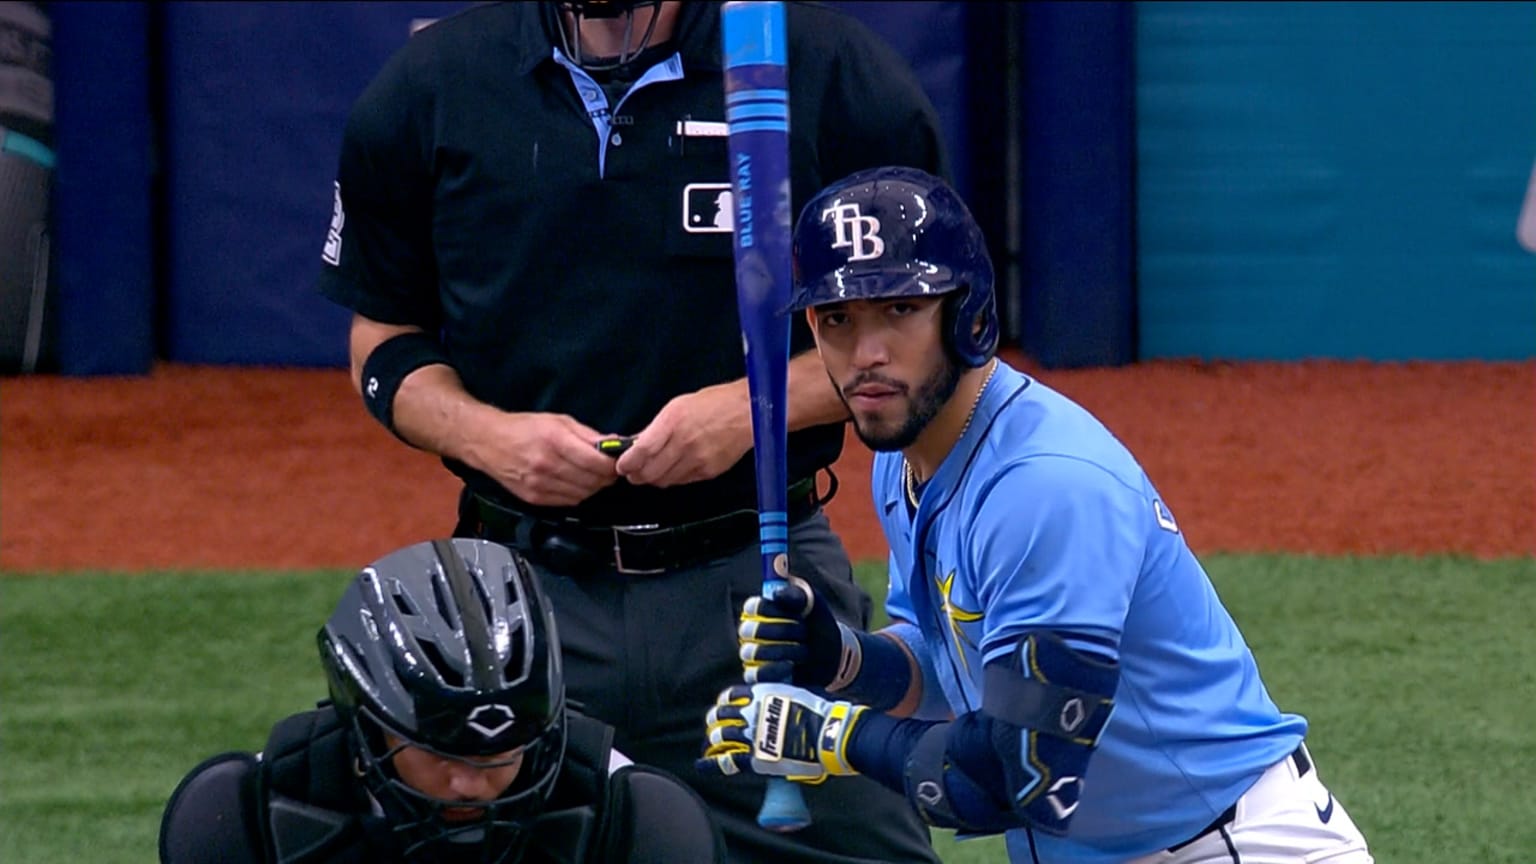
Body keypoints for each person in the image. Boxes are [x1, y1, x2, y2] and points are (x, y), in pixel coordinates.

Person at [314, 3, 947, 863]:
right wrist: (488, 437)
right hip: (525, 604)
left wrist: (747, 410)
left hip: (758, 585)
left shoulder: (830, 75)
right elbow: (382, 343)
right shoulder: (433, 87)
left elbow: (922, 337)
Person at [700, 166, 1377, 864]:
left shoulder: (1046, 487)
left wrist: (832, 737)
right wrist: (842, 659)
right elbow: (953, 667)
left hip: (1225, 847)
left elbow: (1019, 774)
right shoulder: (903, 459)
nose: (866, 354)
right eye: (839, 319)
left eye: (900, 310)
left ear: (966, 313)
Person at [159, 537, 723, 864]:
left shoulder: (636, 823)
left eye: (499, 757)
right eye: (441, 756)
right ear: (368, 723)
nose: (469, 785)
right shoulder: (245, 821)